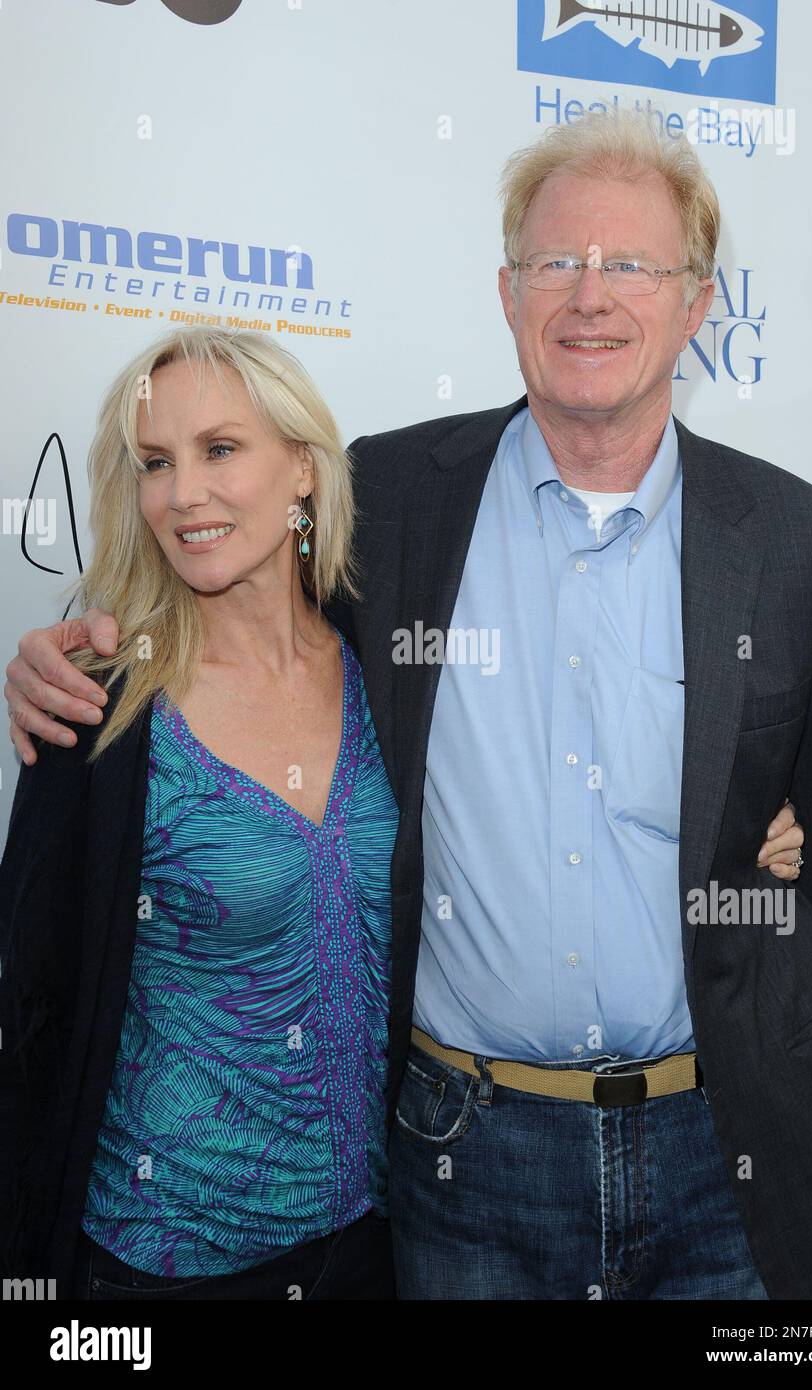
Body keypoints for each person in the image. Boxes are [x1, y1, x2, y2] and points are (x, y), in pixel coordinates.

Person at [5, 109, 812, 1300]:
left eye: (631, 266)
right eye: (556, 262)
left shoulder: (803, 543)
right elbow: (224, 590)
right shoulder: (399, 501)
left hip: (724, 1158)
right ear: (507, 294)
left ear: (699, 302)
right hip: (462, 1165)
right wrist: (63, 653)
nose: (590, 297)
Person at [0, 327, 398, 1299]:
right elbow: (35, 1004)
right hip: (159, 1261)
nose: (183, 494)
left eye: (220, 449)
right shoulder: (97, 703)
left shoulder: (391, 664)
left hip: (377, 1244)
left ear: (302, 467)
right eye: (155, 463)